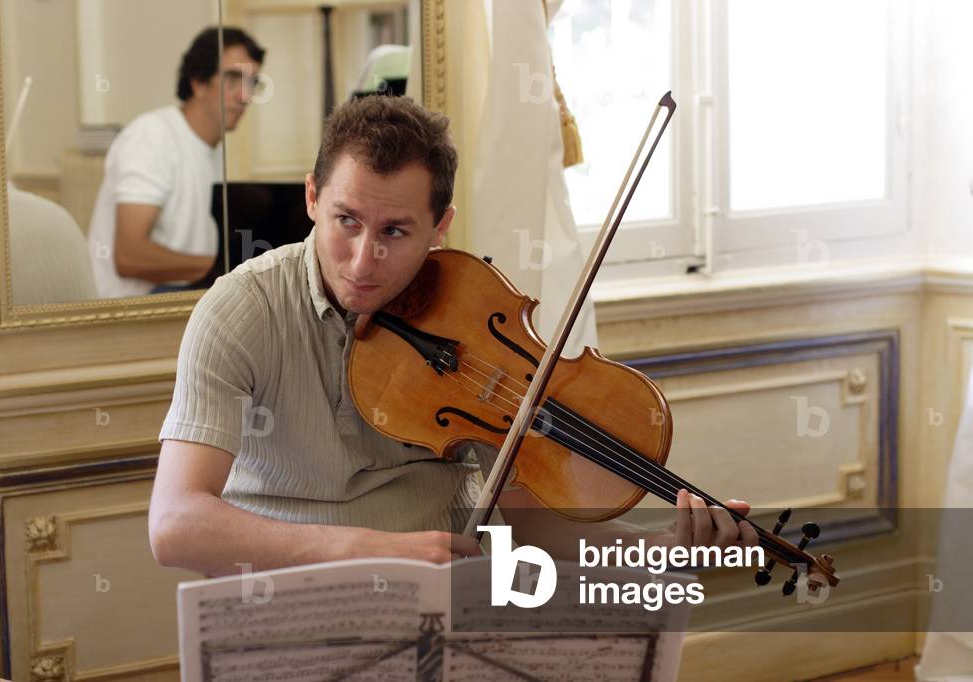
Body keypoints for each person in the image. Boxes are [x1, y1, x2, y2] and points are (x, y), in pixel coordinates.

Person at [148, 96, 758, 578]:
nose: (364, 260)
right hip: (289, 600)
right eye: (347, 221)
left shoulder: (470, 313)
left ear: (440, 227)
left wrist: (662, 551)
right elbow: (175, 524)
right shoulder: (240, 311)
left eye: (395, 231)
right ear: (312, 196)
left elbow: (530, 527)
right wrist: (368, 549)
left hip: (443, 599)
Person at [87, 27, 266, 299]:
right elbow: (129, 257)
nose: (245, 96)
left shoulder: (213, 150)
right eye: (232, 79)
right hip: (131, 313)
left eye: (252, 82)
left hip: (179, 298)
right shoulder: (151, 136)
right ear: (199, 82)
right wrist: (226, 269)